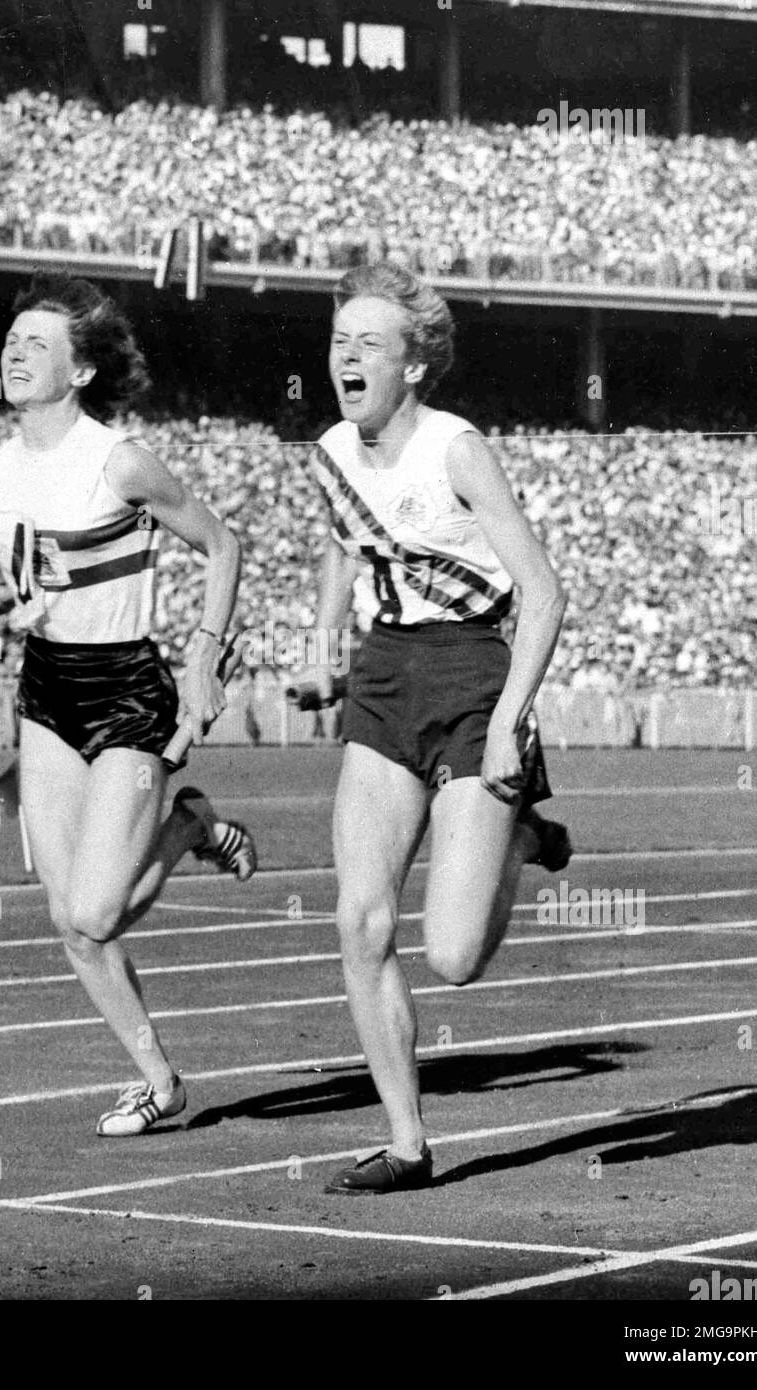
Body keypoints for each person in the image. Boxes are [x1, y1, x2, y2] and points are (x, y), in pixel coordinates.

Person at [0, 275, 254, 1137]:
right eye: (11, 340)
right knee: (67, 921)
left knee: (96, 911)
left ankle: (186, 823)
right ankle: (161, 1083)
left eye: (37, 343)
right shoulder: (1, 465)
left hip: (125, 691)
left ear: (79, 373)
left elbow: (222, 543)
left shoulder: (119, 460)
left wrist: (204, 656)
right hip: (45, 691)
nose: (15, 352)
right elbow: (5, 590)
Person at [305, 262, 570, 1193]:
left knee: (452, 957)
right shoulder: (332, 452)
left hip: (470, 676)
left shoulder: (457, 450)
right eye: (340, 341)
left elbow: (542, 592)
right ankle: (409, 1143)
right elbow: (348, 540)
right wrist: (324, 639)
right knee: (359, 920)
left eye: (369, 344)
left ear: (413, 366)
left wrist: (508, 723)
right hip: (383, 681)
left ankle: (521, 832)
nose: (348, 357)